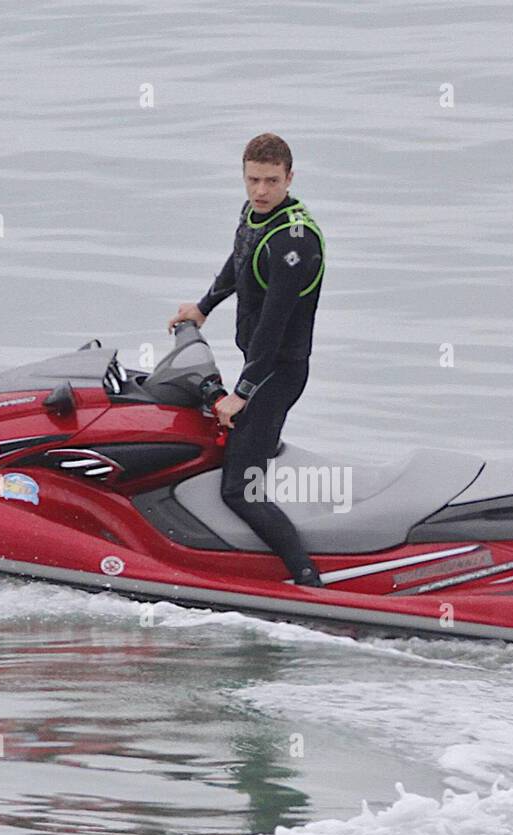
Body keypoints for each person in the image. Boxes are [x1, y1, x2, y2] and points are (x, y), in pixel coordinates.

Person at [168, 132, 326, 587]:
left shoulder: (294, 243)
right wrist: (203, 307)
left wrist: (242, 393)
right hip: (258, 363)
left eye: (271, 181)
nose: (260, 190)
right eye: (253, 180)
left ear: (289, 178)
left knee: (239, 489)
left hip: (280, 371)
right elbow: (239, 261)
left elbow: (274, 325)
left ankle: (307, 580)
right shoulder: (256, 214)